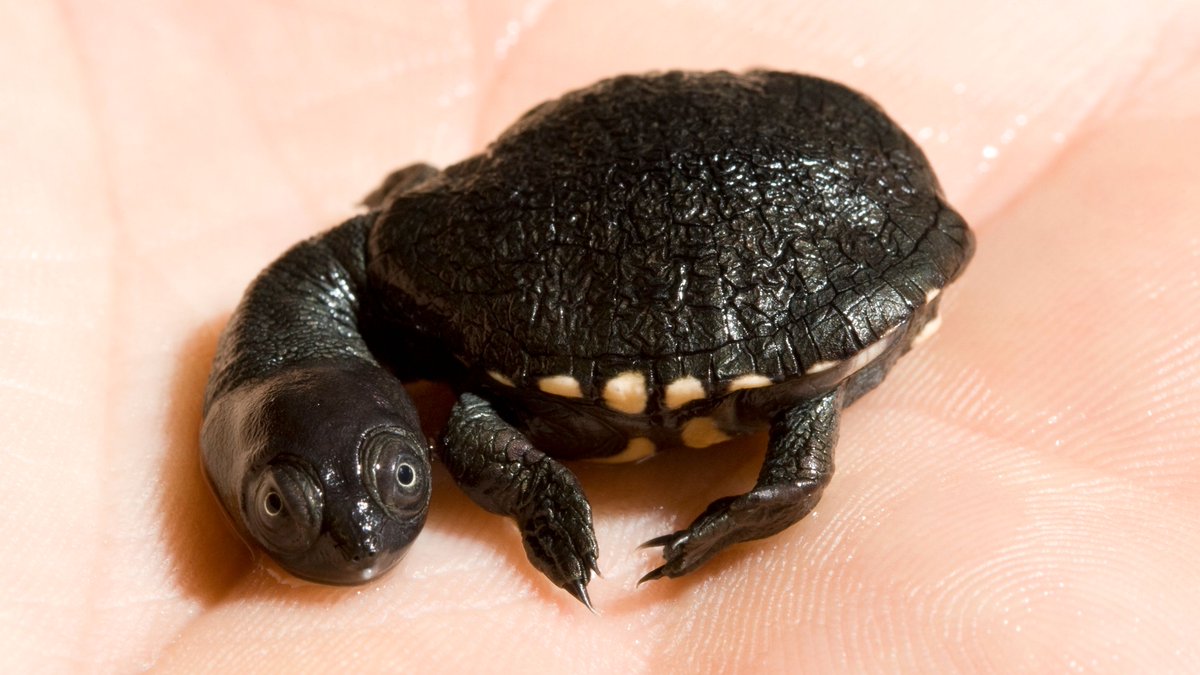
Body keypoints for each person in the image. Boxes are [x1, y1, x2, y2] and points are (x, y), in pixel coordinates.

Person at [4, 1, 1197, 671]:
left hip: (808, 241)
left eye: (382, 472)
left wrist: (551, 493)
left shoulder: (436, 317)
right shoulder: (421, 247)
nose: (380, 510)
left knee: (793, 416)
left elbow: (477, 424)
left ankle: (781, 486)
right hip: (807, 168)